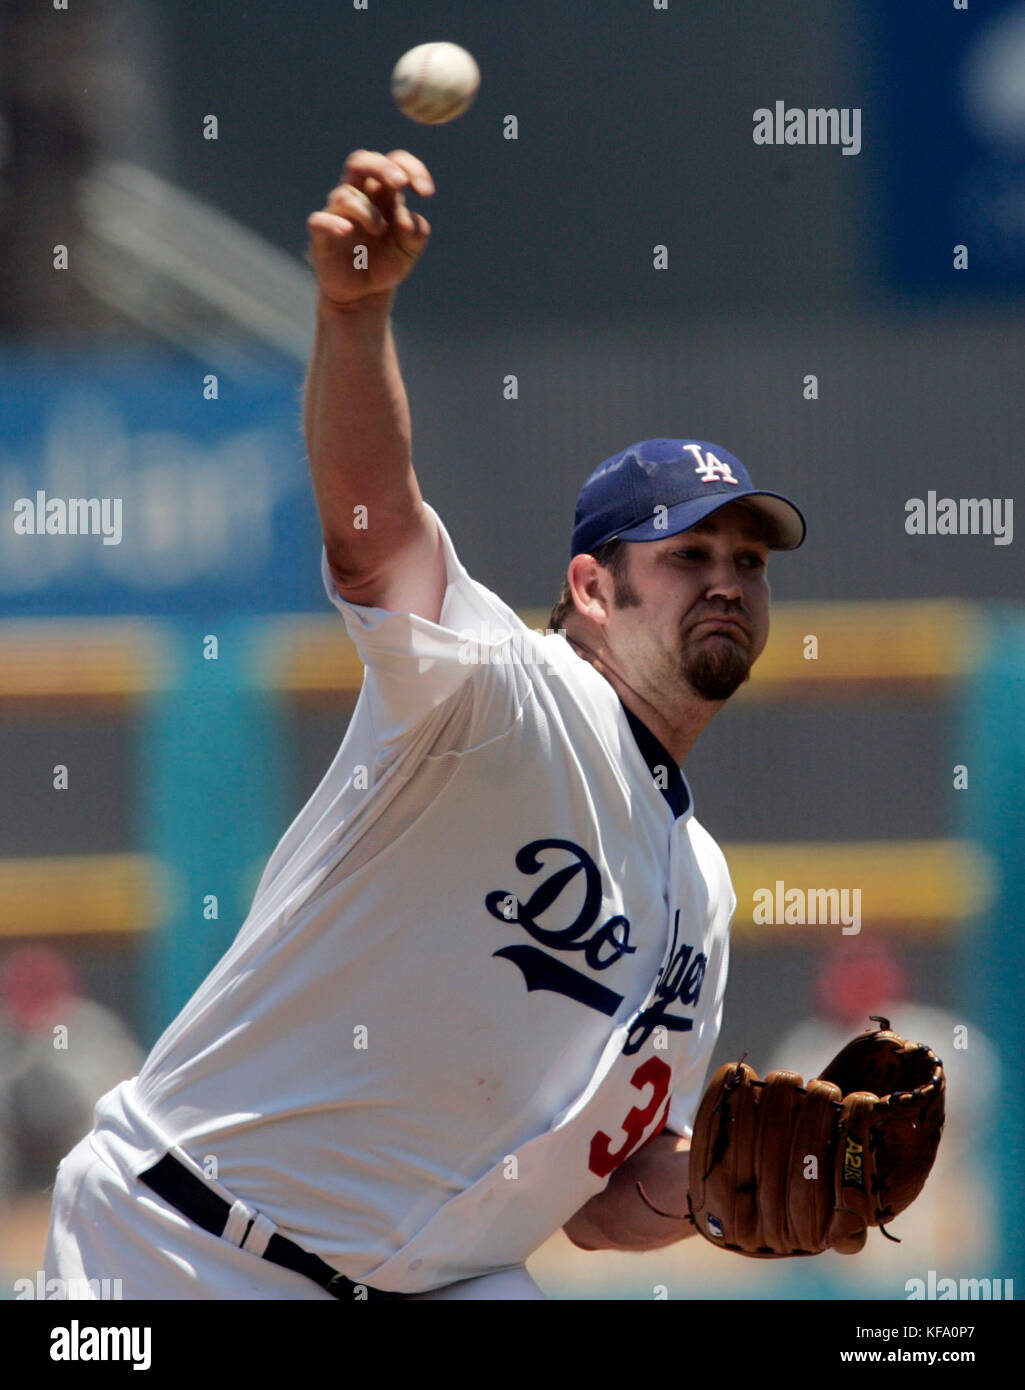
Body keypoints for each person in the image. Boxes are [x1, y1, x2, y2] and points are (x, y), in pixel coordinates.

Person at [43, 148, 805, 1301]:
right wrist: (353, 314)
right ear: (591, 590)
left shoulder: (699, 889)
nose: (724, 581)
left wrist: (731, 1189)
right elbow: (372, 530)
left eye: (745, 561)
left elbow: (599, 1202)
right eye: (686, 553)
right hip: (184, 1251)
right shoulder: (499, 691)